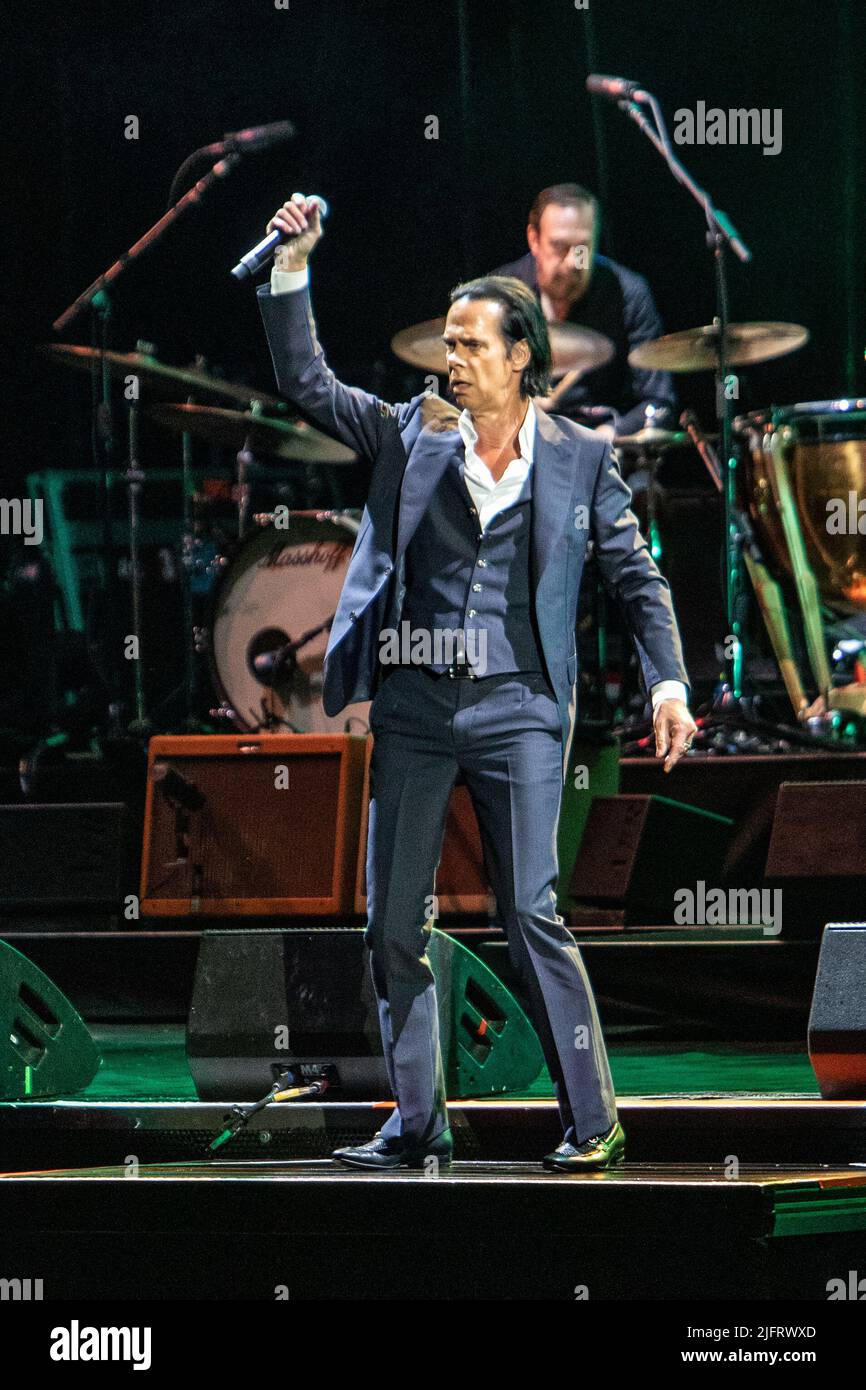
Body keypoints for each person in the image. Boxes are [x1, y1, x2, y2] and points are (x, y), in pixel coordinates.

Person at [258, 194, 696, 1172]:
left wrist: (666, 683)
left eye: (466, 345)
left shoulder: (581, 460)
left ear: (518, 358)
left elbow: (636, 577)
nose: (447, 360)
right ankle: (417, 1124)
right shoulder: (407, 436)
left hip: (520, 713)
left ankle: (591, 1120)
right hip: (414, 711)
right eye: (445, 344)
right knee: (389, 920)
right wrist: (294, 264)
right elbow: (306, 379)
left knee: (529, 909)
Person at [495, 182, 676, 439]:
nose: (573, 262)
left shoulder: (629, 294)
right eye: (559, 247)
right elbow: (462, 399)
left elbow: (658, 401)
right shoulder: (500, 297)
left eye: (583, 247)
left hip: (604, 446)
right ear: (533, 239)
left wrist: (608, 436)